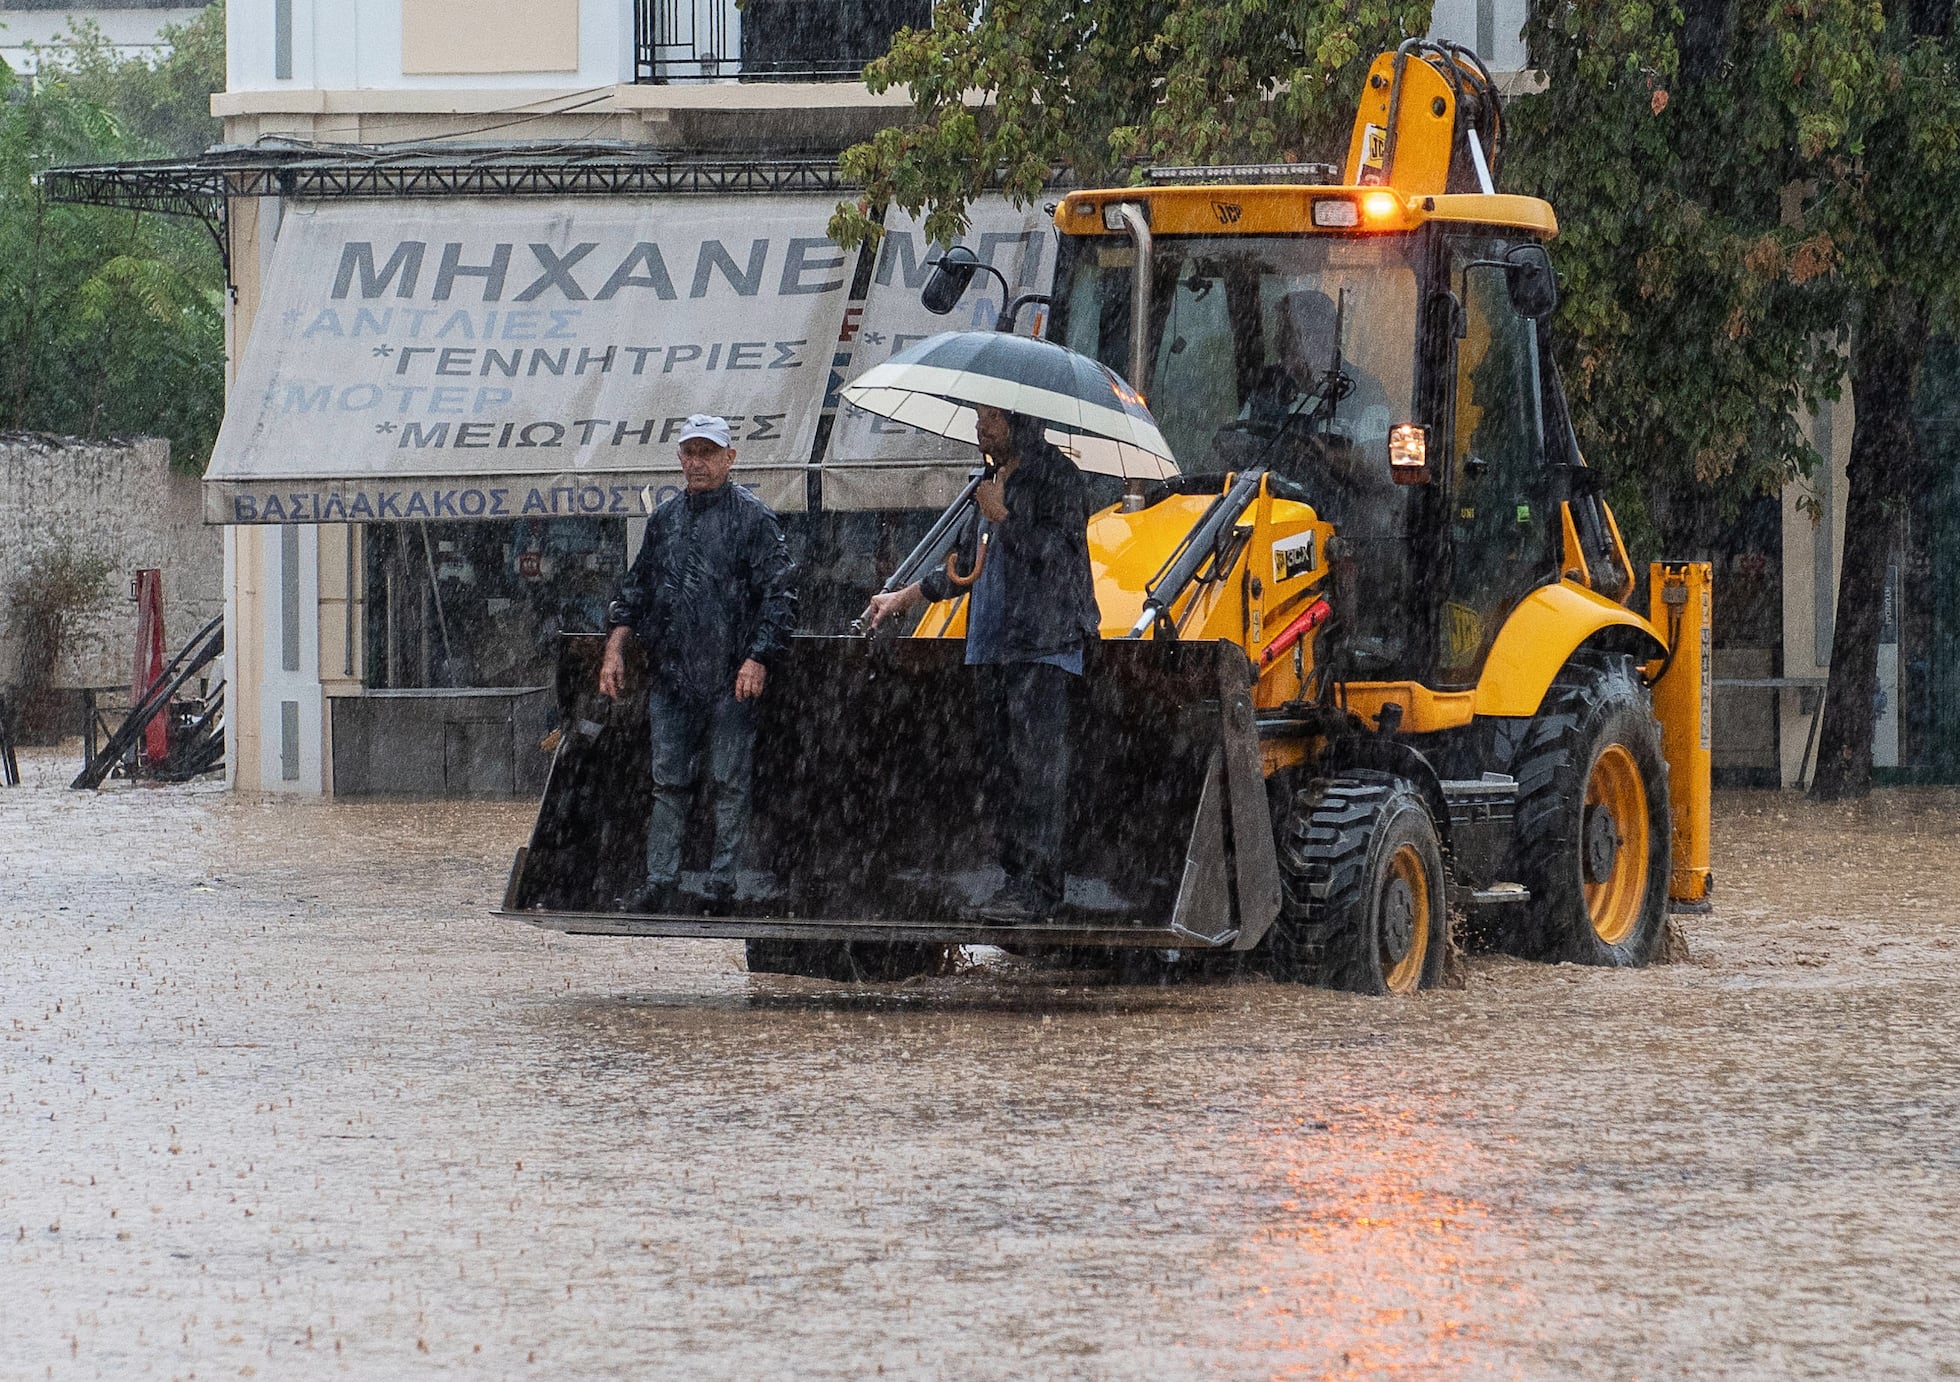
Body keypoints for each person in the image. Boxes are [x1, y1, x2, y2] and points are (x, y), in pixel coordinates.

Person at [866, 405, 1100, 923]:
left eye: (991, 418)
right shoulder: (991, 479)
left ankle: (1041, 890)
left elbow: (1061, 559)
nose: (980, 427)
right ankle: (1015, 879)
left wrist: (1005, 518)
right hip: (992, 647)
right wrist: (905, 597)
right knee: (1003, 771)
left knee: (1039, 773)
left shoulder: (1058, 479)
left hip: (1043, 646)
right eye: (978, 417)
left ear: (1023, 422)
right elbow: (967, 567)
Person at [600, 415, 797, 914]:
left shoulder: (754, 519)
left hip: (731, 677)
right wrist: (614, 647)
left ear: (730, 459)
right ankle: (660, 881)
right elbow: (636, 588)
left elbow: (781, 595)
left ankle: (721, 883)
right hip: (672, 675)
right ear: (679, 458)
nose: (697, 462)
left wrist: (757, 657)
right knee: (667, 781)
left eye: (707, 453)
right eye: (690, 452)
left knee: (729, 781)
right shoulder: (664, 519)